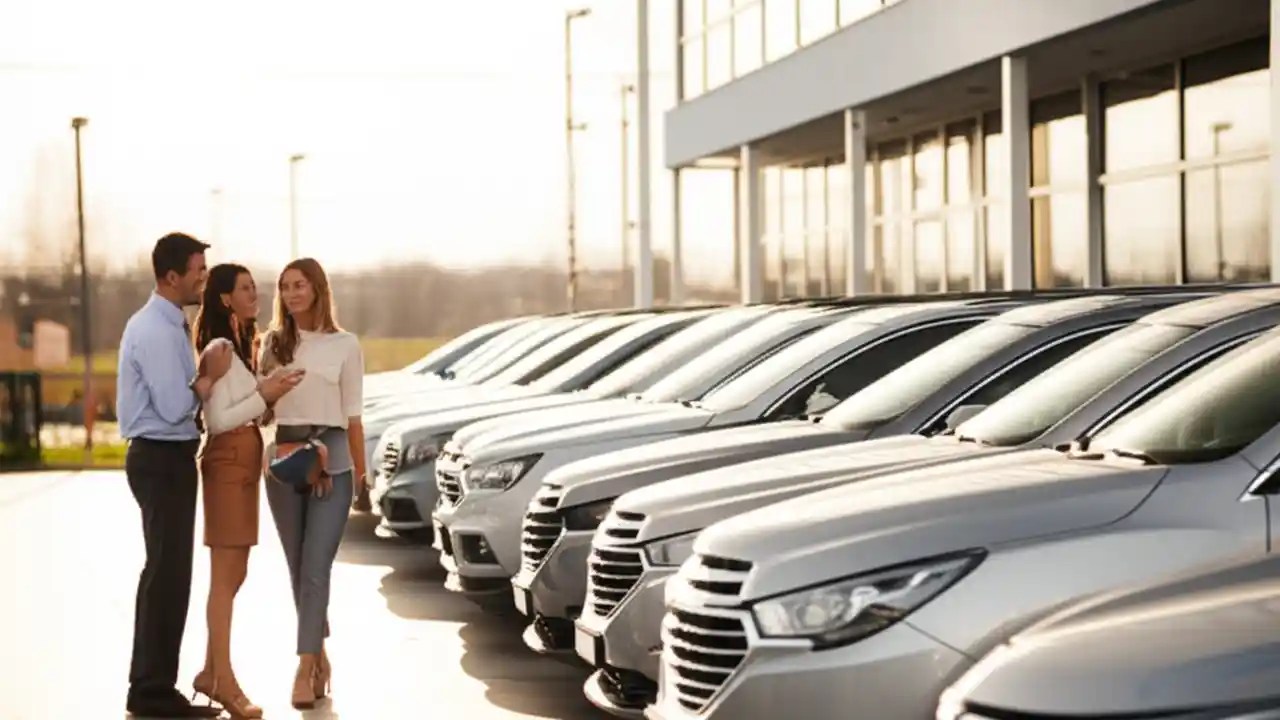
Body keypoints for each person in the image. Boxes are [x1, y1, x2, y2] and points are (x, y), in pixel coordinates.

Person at [118, 233, 229, 718]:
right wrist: (208, 375)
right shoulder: (158, 331)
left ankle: (152, 686)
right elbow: (172, 405)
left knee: (165, 573)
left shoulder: (165, 323)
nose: (203, 277)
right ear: (171, 276)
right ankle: (151, 692)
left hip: (164, 459)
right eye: (198, 270)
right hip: (162, 459)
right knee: (167, 575)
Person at [190, 264, 304, 718]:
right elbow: (216, 421)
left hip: (241, 462)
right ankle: (223, 680)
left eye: (254, 287)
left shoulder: (239, 346)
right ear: (223, 299)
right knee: (225, 578)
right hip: (227, 462)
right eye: (244, 288)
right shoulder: (218, 348)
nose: (253, 293)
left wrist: (269, 396)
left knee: (234, 575)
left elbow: (242, 410)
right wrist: (265, 393)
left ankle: (208, 670)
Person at [259, 258, 366, 709]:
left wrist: (362, 476)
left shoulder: (345, 345)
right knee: (298, 566)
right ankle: (319, 653)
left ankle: (304, 669)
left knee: (316, 567)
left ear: (318, 288)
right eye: (284, 287)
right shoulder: (273, 344)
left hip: (333, 464)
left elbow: (354, 417)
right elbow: (260, 411)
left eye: (299, 285)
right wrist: (272, 393)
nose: (291, 294)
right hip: (284, 463)